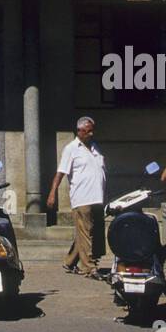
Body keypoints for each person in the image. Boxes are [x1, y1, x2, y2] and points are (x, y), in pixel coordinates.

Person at [46, 116, 106, 280]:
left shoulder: (95, 148)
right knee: (86, 233)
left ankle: (69, 261)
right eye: (88, 131)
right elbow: (60, 173)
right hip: (82, 197)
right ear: (79, 131)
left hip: (97, 198)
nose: (91, 134)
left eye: (92, 130)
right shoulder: (71, 149)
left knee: (87, 232)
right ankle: (89, 268)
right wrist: (53, 193)